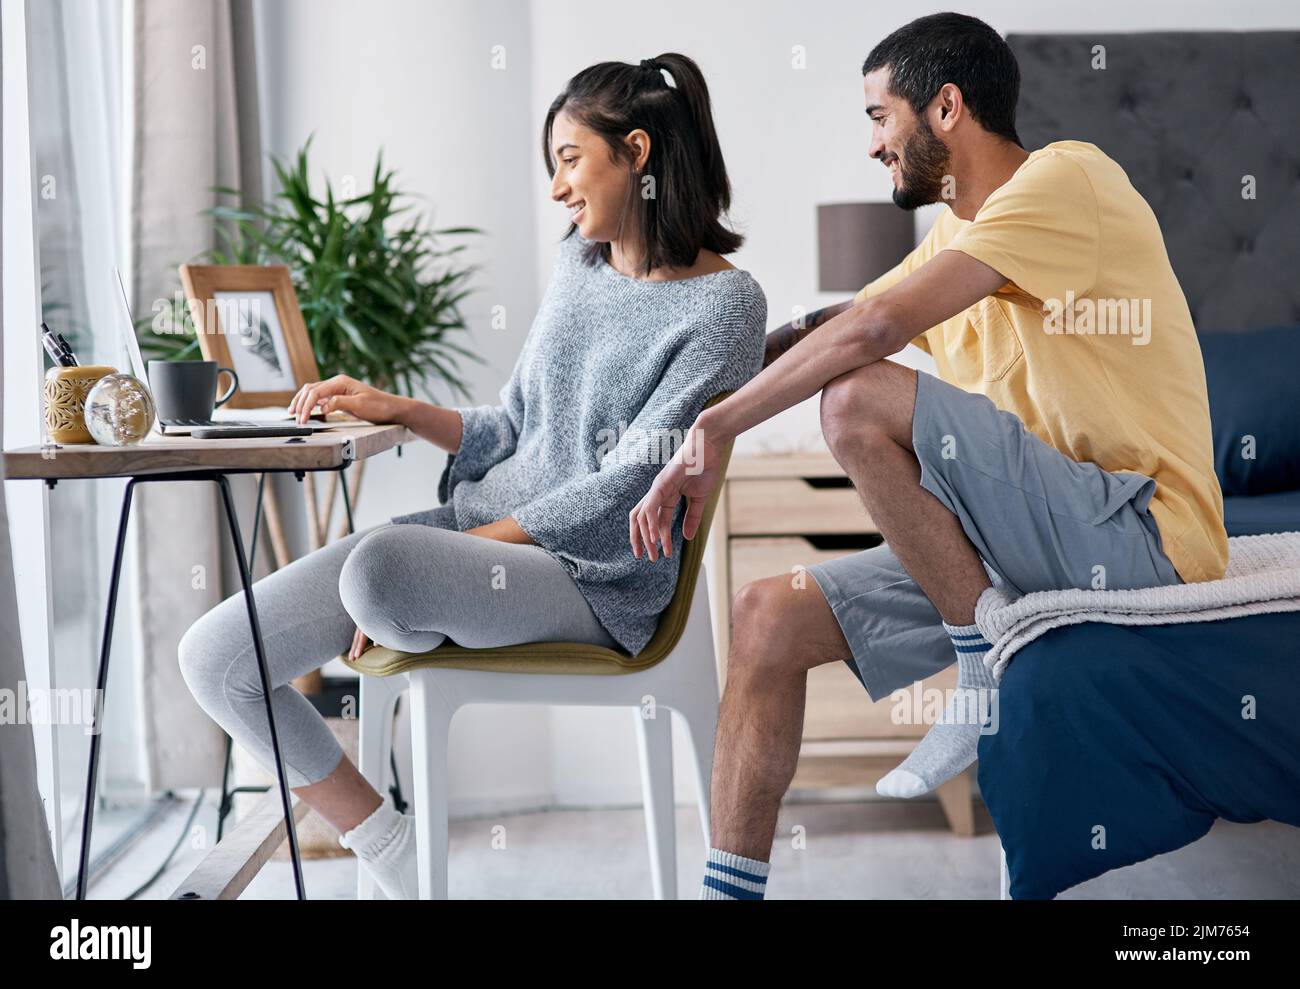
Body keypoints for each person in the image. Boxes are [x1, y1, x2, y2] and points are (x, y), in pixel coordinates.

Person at [628, 13, 1228, 900]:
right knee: (764, 616)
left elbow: (871, 335)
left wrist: (718, 431)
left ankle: (977, 657)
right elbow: (829, 325)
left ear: (945, 107)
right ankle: (727, 895)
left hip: (1141, 539)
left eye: (880, 117)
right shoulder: (954, 241)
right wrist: (683, 374)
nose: (873, 145)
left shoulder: (1070, 179)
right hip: (1028, 545)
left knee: (857, 396)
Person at [178, 52, 766, 899]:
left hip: (596, 576)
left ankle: (402, 596)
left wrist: (456, 558)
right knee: (216, 657)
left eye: (570, 159)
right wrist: (403, 409)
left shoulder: (727, 306)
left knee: (380, 570)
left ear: (636, 151)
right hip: (479, 542)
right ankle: (389, 843)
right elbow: (519, 428)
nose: (559, 187)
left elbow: (623, 487)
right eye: (553, 166)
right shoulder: (579, 266)